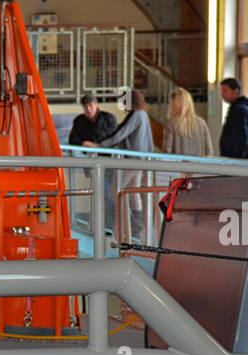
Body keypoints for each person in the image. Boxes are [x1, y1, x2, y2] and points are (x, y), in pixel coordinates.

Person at [85, 89, 155, 242]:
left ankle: (123, 228)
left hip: (131, 160)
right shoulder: (142, 114)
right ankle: (136, 228)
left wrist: (99, 146)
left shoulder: (137, 115)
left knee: (115, 192)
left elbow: (120, 134)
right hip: (139, 160)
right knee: (131, 192)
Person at [162, 87, 213, 158]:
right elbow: (209, 151)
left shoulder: (171, 124)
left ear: (175, 105)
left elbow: (166, 152)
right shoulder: (201, 123)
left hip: (178, 167)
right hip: (198, 167)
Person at [219, 77, 248, 159]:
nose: (222, 94)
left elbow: (240, 139)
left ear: (236, 91)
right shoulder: (242, 109)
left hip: (236, 161)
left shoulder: (238, 111)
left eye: (225, 91)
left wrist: (236, 160)